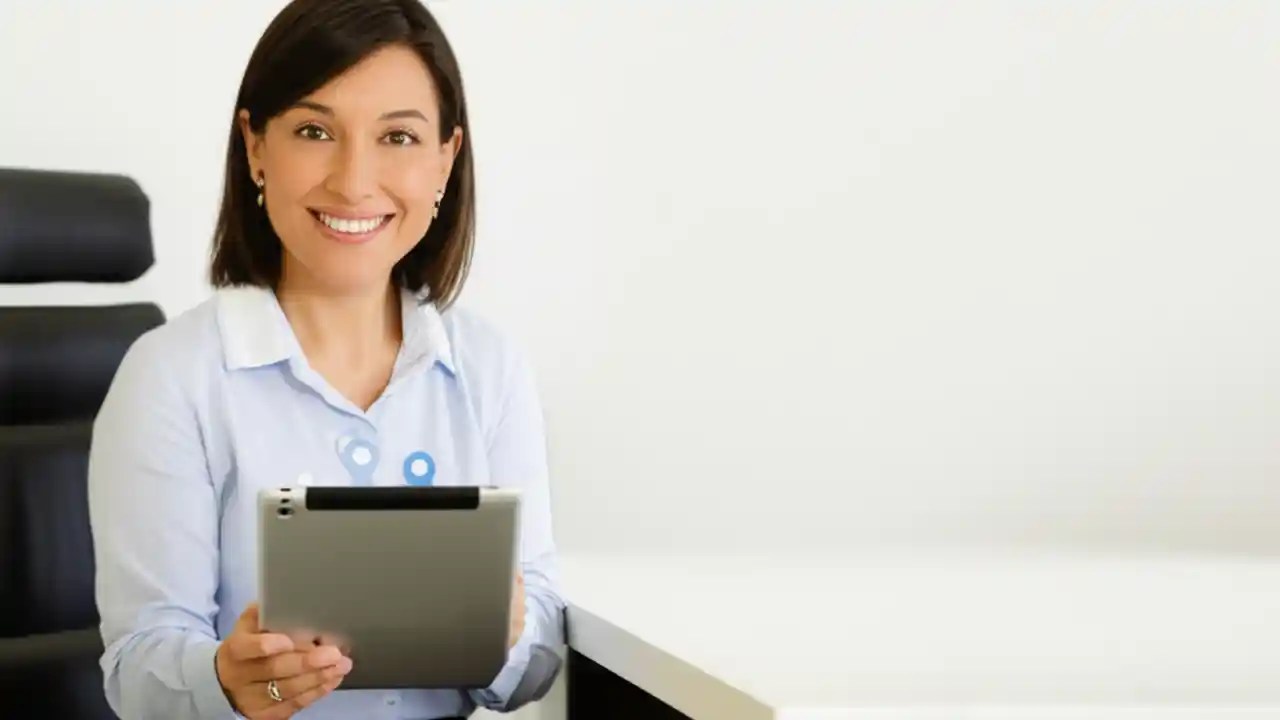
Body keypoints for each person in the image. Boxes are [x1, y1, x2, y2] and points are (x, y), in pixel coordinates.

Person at [87, 0, 565, 717]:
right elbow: (138, 670)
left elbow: (537, 659)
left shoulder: (490, 369)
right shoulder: (171, 377)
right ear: (255, 145)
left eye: (398, 137)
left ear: (445, 160)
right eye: (315, 131)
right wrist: (225, 683)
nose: (353, 180)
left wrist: (511, 632)